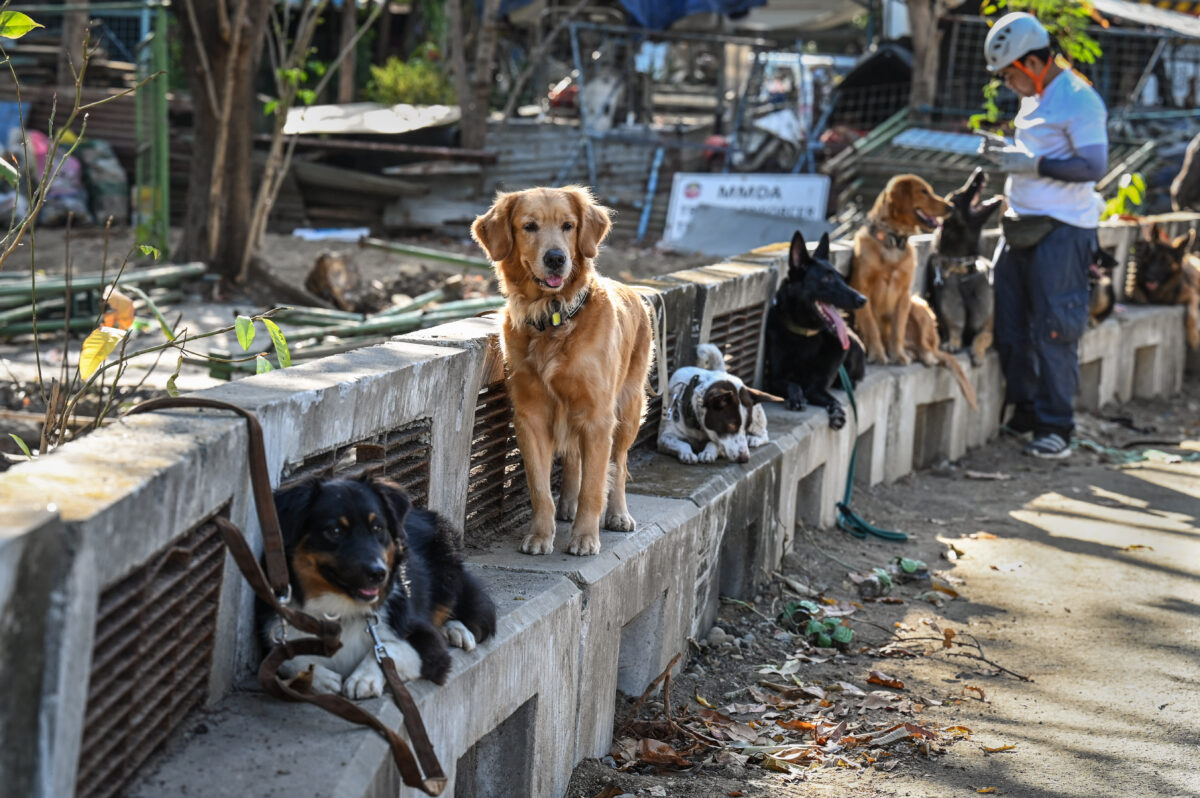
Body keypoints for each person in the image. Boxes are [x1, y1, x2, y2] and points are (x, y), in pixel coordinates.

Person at [977, 12, 1108, 459]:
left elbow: (1093, 166)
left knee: (1055, 328)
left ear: (1033, 62)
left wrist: (1032, 165)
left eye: (1011, 74)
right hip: (1019, 223)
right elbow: (1036, 151)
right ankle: (1027, 413)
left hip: (1063, 229)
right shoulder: (1033, 98)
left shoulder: (1078, 99)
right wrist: (1009, 157)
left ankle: (1057, 427)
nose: (1008, 84)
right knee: (1011, 325)